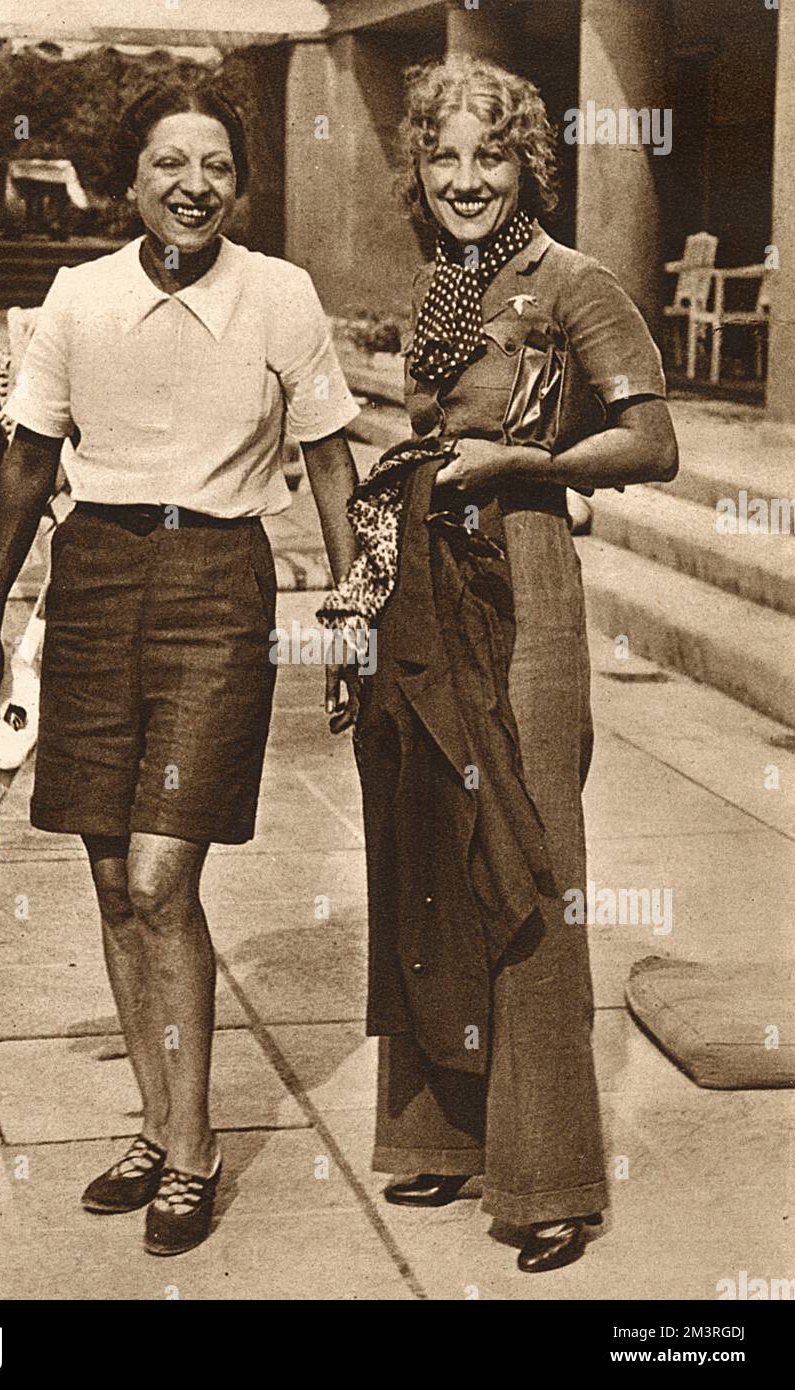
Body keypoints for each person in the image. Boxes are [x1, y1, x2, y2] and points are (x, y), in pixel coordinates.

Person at [0, 67, 361, 1257]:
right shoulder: (75, 298)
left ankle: (194, 1150)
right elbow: (27, 464)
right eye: (170, 165)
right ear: (128, 180)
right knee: (108, 873)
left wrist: (356, 602)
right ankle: (160, 1119)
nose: (194, 186)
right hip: (93, 587)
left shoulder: (281, 296)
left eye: (217, 166)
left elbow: (331, 461)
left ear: (240, 182)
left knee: (161, 882)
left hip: (216, 590)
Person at [356, 54, 677, 1274]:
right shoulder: (445, 280)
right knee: (434, 842)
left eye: (488, 155)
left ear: (526, 164)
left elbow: (652, 444)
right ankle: (439, 1136)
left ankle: (547, 1180)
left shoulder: (575, 282)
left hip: (524, 581)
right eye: (442, 157)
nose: (464, 179)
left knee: (528, 857)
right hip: (427, 591)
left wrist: (527, 467)